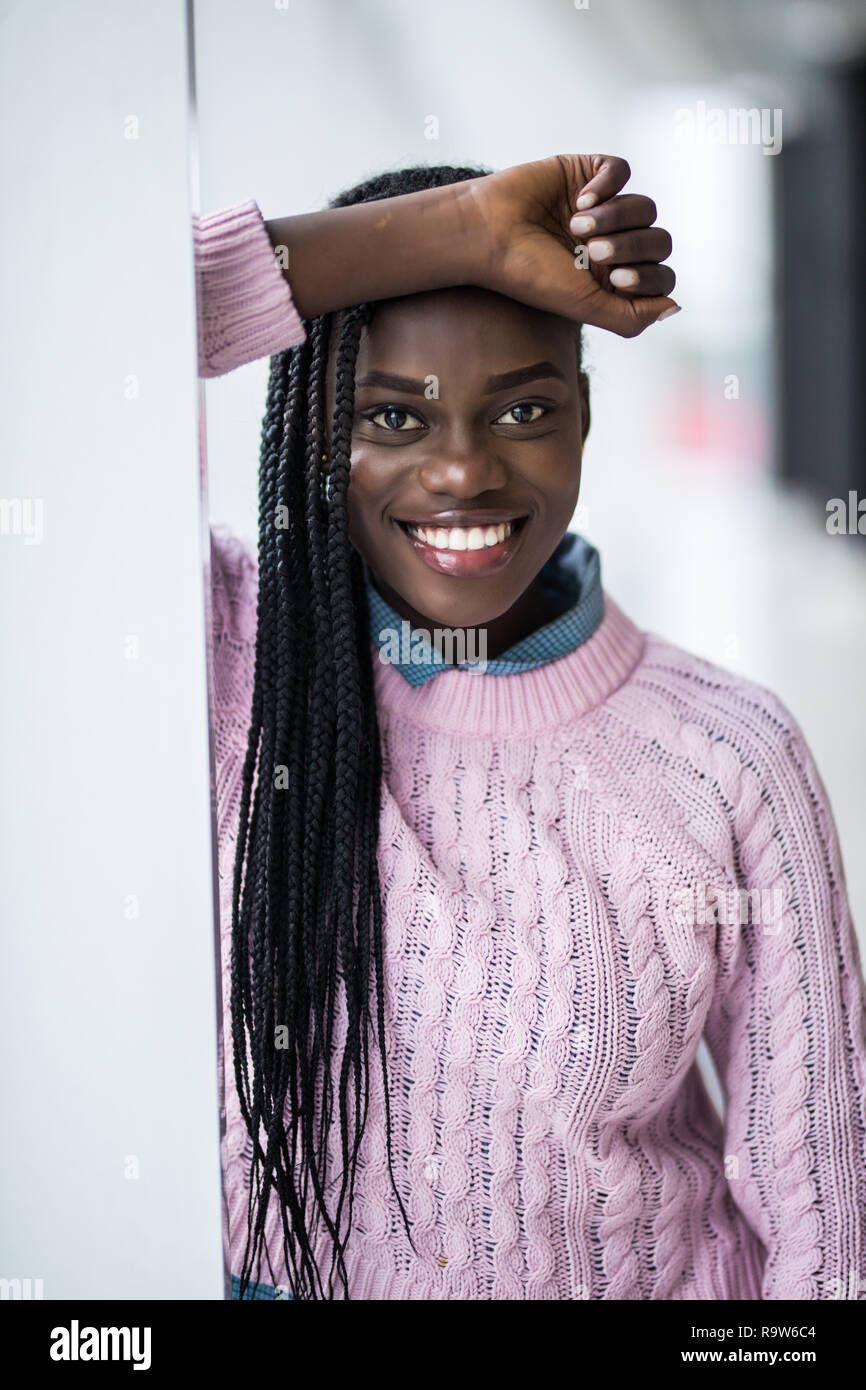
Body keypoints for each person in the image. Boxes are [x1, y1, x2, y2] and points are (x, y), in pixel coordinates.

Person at [194, 155, 866, 1301]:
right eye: (391, 416)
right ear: (311, 432)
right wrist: (455, 230)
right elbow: (61, 335)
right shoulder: (225, 651)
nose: (462, 468)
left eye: (521, 408)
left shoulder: (727, 756)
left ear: (585, 415)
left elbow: (830, 1231)